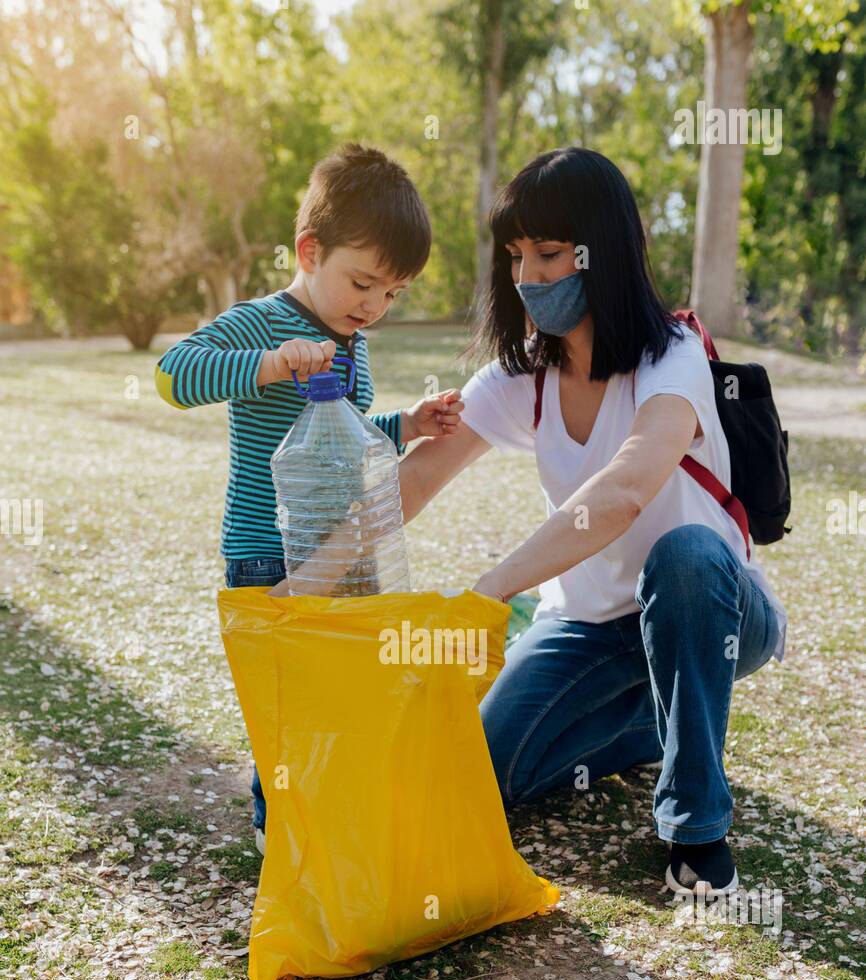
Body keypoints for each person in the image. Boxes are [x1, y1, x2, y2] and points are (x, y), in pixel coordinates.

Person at [395, 146, 787, 897]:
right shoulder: (522, 378)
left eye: (548, 254)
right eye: (515, 256)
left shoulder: (672, 357)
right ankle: (653, 722)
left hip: (717, 607)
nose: (527, 277)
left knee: (686, 555)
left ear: (596, 252)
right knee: (478, 774)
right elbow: (415, 481)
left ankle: (695, 828)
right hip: (588, 629)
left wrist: (491, 589)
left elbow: (626, 490)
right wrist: (312, 569)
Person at [154, 144, 463, 850]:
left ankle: (338, 811)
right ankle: (281, 830)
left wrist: (407, 425)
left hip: (341, 553)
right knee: (286, 699)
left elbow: (343, 442)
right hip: (269, 554)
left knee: (344, 687)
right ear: (309, 250)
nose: (376, 306)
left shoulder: (354, 342)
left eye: (393, 293)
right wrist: (269, 364)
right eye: (363, 282)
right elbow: (173, 376)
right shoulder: (261, 322)